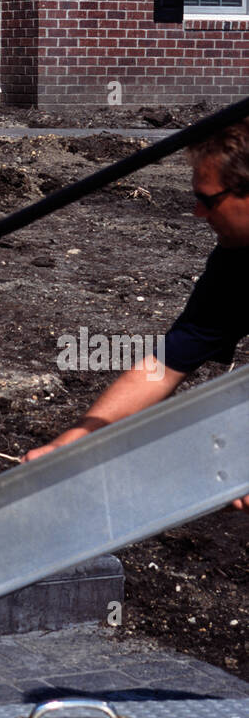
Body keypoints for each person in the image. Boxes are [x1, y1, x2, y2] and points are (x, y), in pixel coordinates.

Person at [24, 121, 249, 512]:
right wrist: (81, 437)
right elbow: (164, 365)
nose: (197, 213)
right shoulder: (234, 267)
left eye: (208, 200)